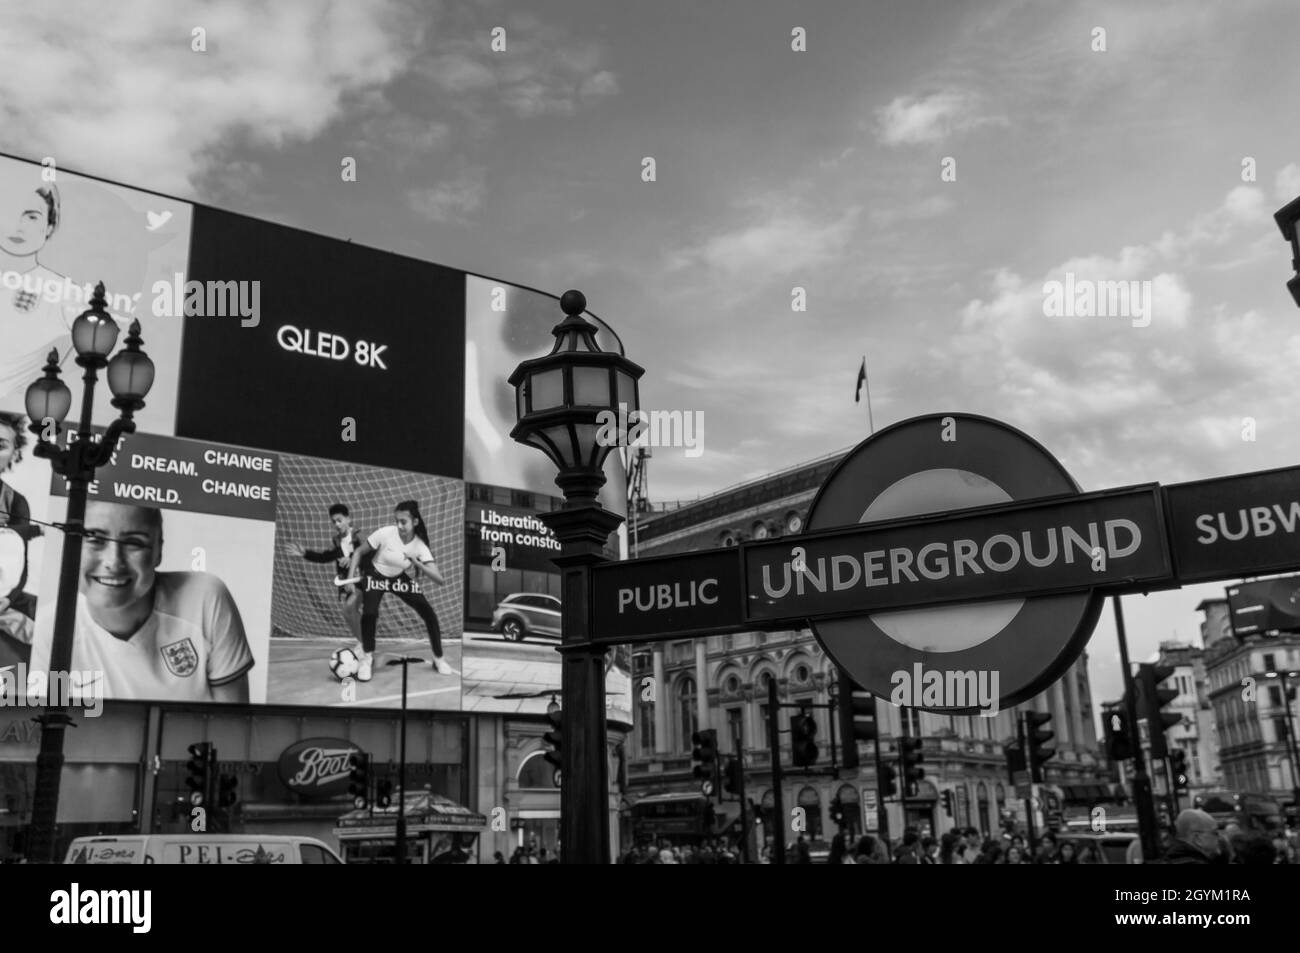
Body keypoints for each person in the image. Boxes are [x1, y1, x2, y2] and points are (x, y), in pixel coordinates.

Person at [29, 501, 253, 702]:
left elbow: (234, 729)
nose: (113, 562)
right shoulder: (51, 627)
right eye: (95, 539)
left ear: (158, 551)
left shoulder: (205, 597)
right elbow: (43, 735)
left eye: (133, 542)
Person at [346, 501, 450, 681]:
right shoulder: (385, 533)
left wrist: (418, 563)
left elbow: (439, 579)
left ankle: (439, 659)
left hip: (397, 579)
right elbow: (358, 553)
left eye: (404, 522)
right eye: (397, 521)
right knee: (370, 613)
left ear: (415, 522)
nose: (399, 526)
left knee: (429, 614)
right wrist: (350, 575)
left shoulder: (419, 546)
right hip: (375, 575)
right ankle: (367, 658)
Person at [286, 503, 364, 646]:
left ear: (348, 519)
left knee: (349, 608)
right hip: (349, 584)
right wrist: (305, 553)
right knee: (348, 613)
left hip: (365, 580)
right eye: (334, 522)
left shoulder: (360, 536)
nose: (337, 524)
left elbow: (370, 555)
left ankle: (366, 647)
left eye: (339, 520)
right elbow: (324, 557)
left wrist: (352, 558)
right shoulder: (336, 542)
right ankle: (363, 643)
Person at [0, 412, 40, 656]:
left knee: (44, 627)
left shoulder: (15, 502)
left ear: (14, 454)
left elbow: (19, 565)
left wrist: (8, 599)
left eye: (0, 445)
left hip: (2, 596)